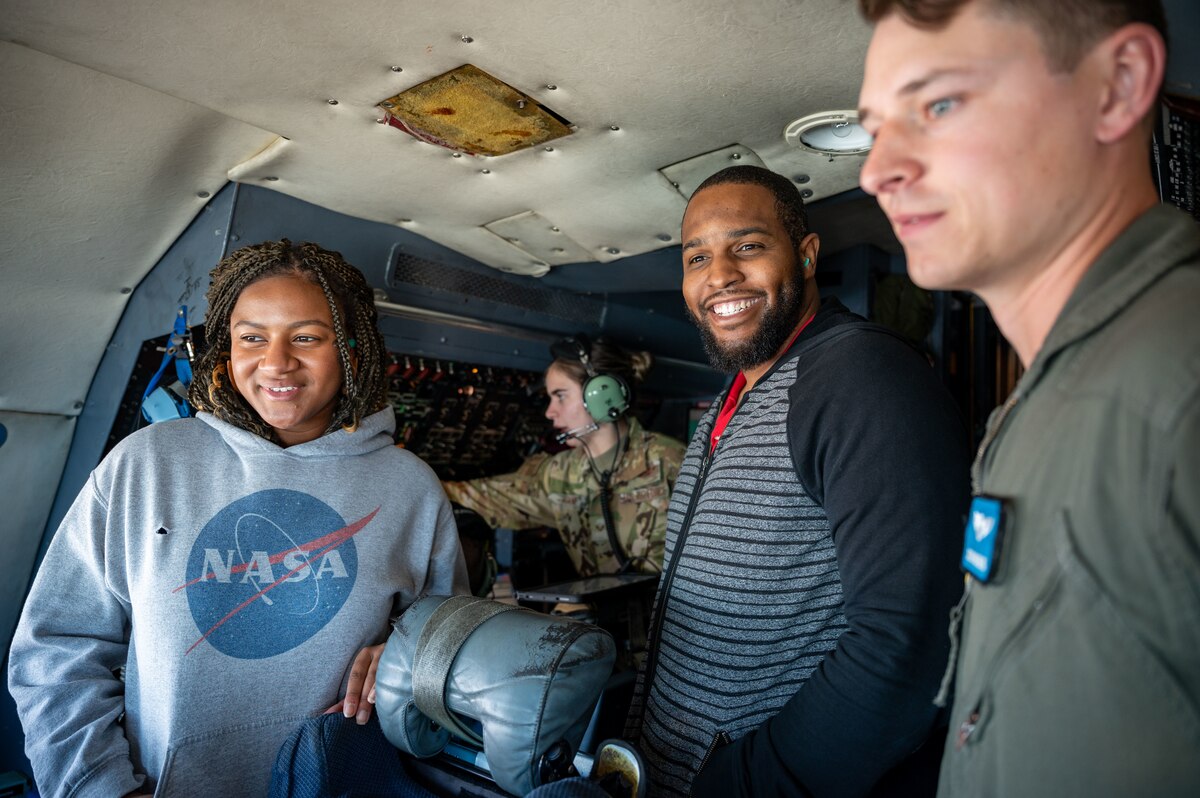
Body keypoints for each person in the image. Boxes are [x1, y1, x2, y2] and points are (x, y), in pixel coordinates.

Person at [857, 1, 1200, 794]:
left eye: (937, 104)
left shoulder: (1177, 380)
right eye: (875, 128)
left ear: (1117, 86)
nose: (876, 170)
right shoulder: (1040, 402)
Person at [7, 240, 468, 797]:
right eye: (252, 337)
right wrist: (96, 788)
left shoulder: (410, 488)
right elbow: (57, 646)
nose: (277, 362)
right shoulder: (146, 464)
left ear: (351, 348)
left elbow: (448, 654)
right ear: (226, 348)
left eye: (306, 337)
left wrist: (408, 653)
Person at [620, 165, 971, 797]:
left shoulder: (861, 378)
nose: (719, 275)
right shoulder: (727, 403)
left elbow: (909, 643)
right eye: (697, 256)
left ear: (806, 256)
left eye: (747, 247)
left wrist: (747, 783)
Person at [443, 336, 686, 577]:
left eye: (560, 396)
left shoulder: (672, 461)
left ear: (603, 395)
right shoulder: (560, 473)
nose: (550, 412)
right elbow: (487, 497)